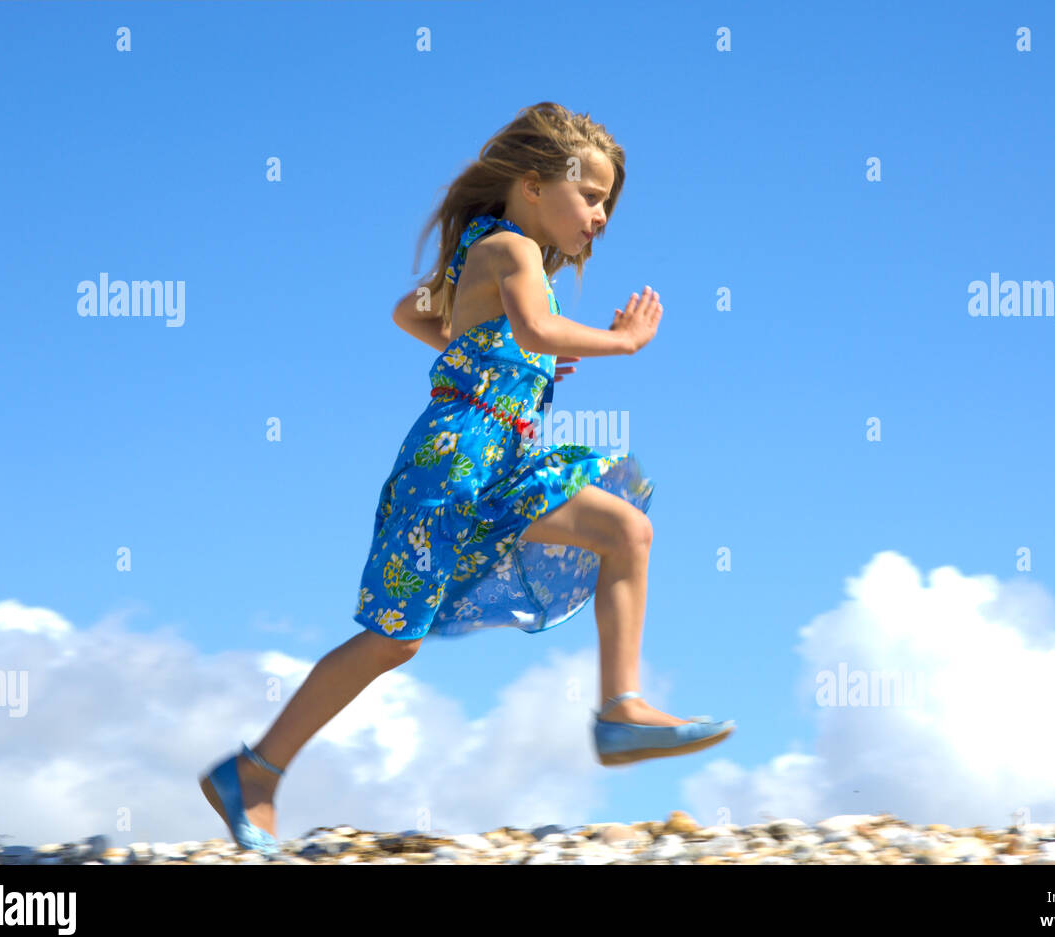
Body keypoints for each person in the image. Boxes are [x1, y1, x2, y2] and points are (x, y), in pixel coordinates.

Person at [200, 103, 734, 853]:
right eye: (591, 194)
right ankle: (252, 773)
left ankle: (620, 708)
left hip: (501, 459)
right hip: (452, 462)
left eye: (610, 202)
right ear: (532, 185)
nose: (602, 215)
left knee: (625, 529)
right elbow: (536, 328)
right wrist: (618, 340)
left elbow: (414, 313)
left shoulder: (490, 254)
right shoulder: (512, 250)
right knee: (392, 640)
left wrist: (496, 351)